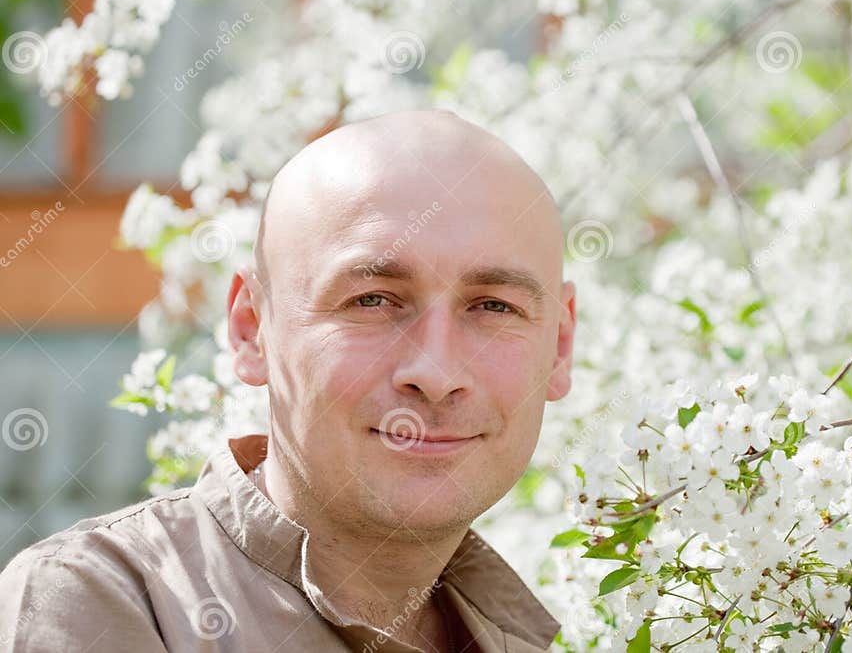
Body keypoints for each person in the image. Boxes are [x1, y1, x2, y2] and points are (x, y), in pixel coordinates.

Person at [0, 109, 577, 653]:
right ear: (251, 329)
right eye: (372, 300)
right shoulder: (102, 602)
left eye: (494, 307)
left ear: (559, 346)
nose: (436, 373)